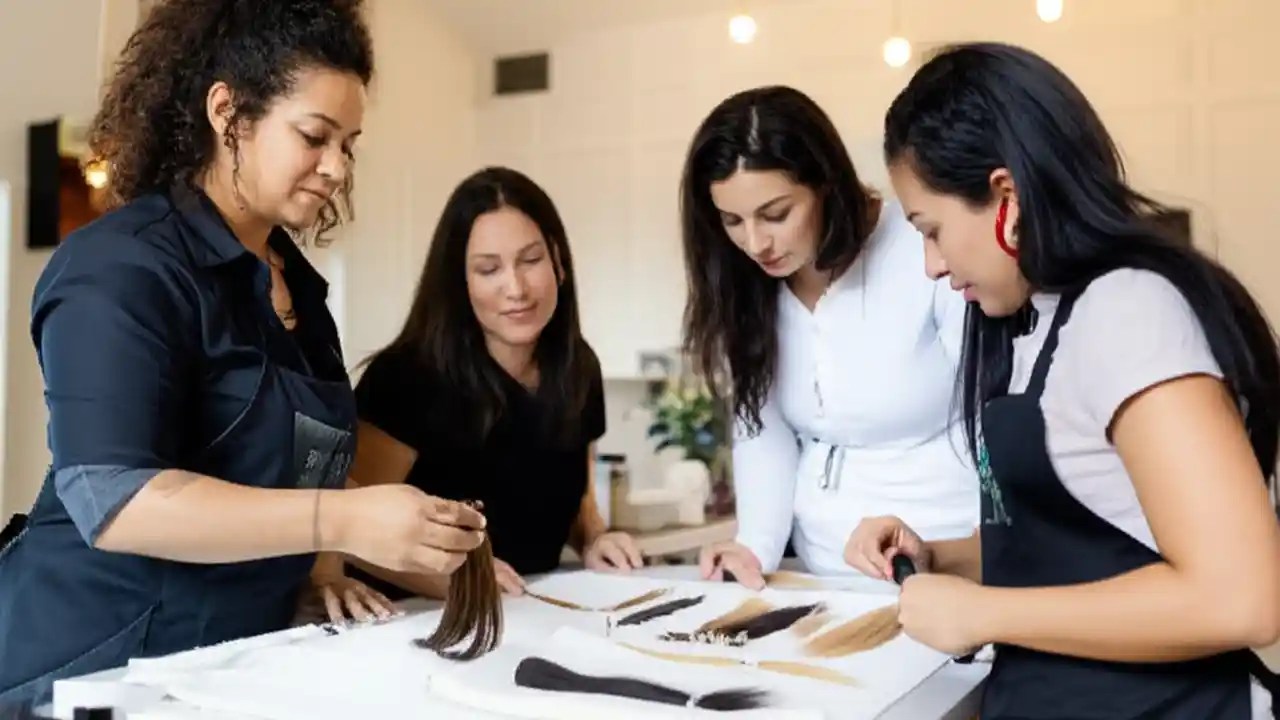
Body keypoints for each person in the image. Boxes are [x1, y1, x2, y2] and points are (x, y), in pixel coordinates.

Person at [0, 0, 487, 710]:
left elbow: (301, 464)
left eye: (348, 144)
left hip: (221, 669)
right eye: (315, 136)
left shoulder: (301, 296)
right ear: (227, 112)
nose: (336, 168)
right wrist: (343, 523)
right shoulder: (120, 267)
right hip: (82, 668)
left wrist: (319, 569)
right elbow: (116, 498)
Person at [847, 42, 1279, 718]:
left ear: (1005, 197)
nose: (930, 265)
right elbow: (1076, 554)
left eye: (931, 230)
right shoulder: (1034, 323)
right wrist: (939, 559)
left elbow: (1240, 600)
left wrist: (984, 614)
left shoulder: (1127, 311)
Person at [680, 85, 977, 589]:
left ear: (826, 184)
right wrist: (753, 550)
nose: (755, 243)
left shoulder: (924, 250)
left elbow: (991, 416)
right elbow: (762, 429)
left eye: (776, 214)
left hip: (943, 565)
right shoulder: (750, 285)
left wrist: (999, 552)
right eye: (732, 221)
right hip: (823, 578)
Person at [310, 166, 641, 607]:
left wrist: (596, 538)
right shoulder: (405, 378)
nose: (516, 288)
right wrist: (452, 577)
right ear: (460, 283)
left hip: (526, 612)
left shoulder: (578, 366)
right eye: (489, 269)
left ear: (559, 263)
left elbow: (573, 497)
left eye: (531, 260)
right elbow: (348, 528)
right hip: (415, 619)